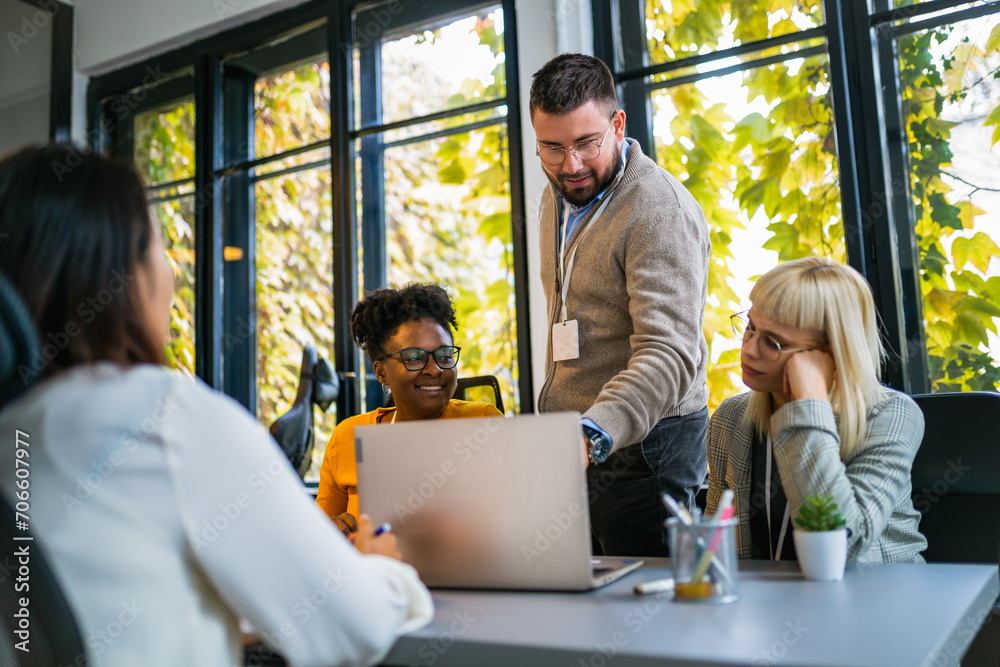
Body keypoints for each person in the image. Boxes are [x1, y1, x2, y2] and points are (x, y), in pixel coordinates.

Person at [0, 145, 433, 666]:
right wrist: (380, 567)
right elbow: (353, 628)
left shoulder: (15, 434)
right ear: (117, 278)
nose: (172, 275)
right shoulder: (162, 417)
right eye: (157, 247)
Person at [529, 53, 711, 557]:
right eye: (552, 147)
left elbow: (670, 353)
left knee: (654, 622)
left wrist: (592, 433)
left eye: (587, 143)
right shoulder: (558, 194)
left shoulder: (658, 210)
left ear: (618, 124)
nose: (572, 165)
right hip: (580, 447)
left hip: (648, 452)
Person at [706, 257, 927, 564]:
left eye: (773, 342)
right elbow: (717, 544)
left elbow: (844, 547)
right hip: (775, 603)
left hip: (878, 599)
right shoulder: (731, 418)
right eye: (750, 328)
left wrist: (808, 404)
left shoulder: (891, 416)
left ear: (831, 355)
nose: (749, 349)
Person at [316, 284, 503, 529]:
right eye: (414, 357)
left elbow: (513, 517)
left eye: (444, 355)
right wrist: (336, 533)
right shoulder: (348, 437)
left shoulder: (482, 423)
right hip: (379, 566)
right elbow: (319, 535)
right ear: (381, 373)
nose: (435, 369)